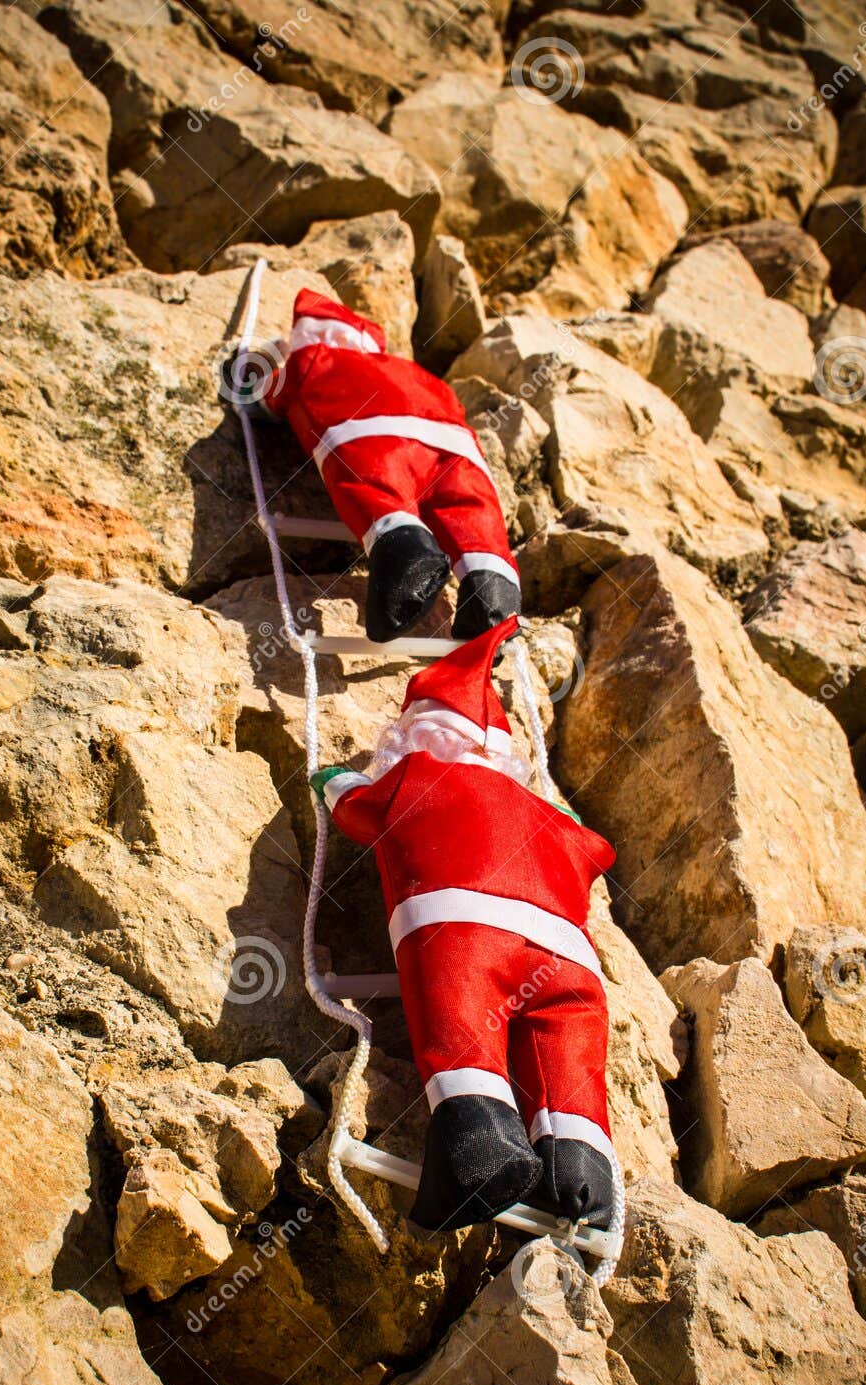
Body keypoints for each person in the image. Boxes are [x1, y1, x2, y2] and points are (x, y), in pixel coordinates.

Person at [309, 615, 621, 1235]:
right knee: (565, 1049)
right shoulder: (544, 812)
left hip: (465, 929)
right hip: (568, 954)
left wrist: (331, 780)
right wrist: (559, 809)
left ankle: (481, 1143)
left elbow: (356, 808)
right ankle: (581, 1169)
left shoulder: (411, 777)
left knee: (462, 1032)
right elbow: (597, 850)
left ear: (413, 737)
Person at [241, 288, 521, 643]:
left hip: (374, 437)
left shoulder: (309, 358)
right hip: (456, 448)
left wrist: (249, 382)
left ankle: (406, 552)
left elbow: (270, 396)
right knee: (469, 511)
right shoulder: (413, 368)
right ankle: (491, 589)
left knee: (378, 493)